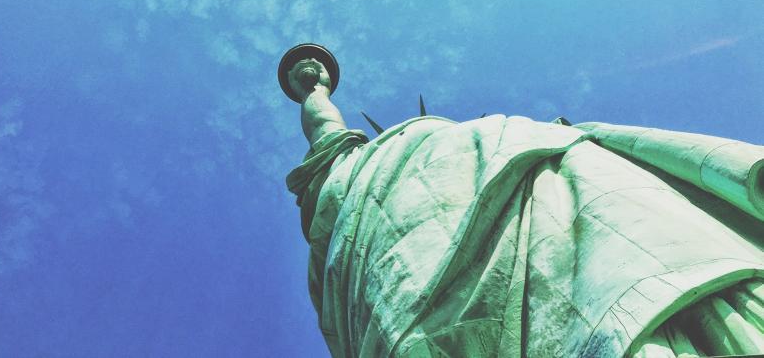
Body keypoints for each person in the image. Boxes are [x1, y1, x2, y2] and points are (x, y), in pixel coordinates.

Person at [284, 56, 764, 358]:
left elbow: (326, 135)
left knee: (653, 277)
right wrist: (315, 90)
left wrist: (314, 91)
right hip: (547, 212)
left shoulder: (519, 141)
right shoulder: (370, 170)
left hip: (572, 203)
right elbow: (326, 133)